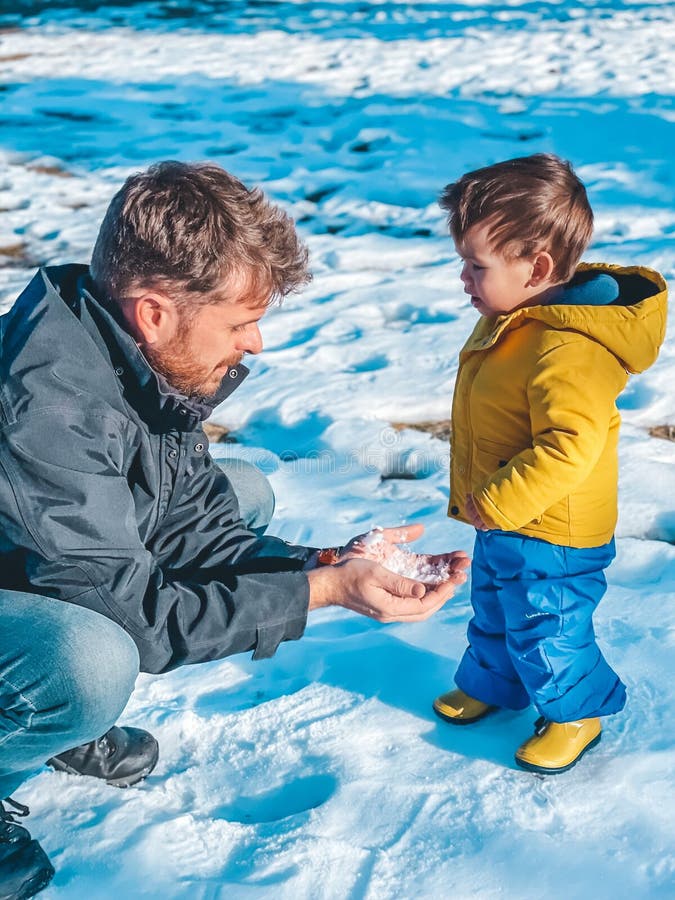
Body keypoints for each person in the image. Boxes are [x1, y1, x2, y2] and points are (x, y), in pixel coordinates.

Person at [0, 161, 470, 898]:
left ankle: (50, 722)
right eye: (242, 321)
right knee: (90, 660)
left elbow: (198, 530)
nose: (256, 344)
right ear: (154, 311)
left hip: (33, 560)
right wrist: (323, 592)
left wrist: (322, 562)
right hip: (35, 583)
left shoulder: (131, 356)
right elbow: (142, 619)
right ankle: (39, 713)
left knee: (245, 491)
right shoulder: (51, 411)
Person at [431, 153, 667, 774]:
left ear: (536, 268)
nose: (463, 277)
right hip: (509, 516)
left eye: (476, 265)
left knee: (548, 626)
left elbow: (570, 446)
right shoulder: (518, 319)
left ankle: (576, 712)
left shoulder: (568, 348)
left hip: (555, 530)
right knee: (494, 606)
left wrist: (501, 500)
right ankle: (493, 686)